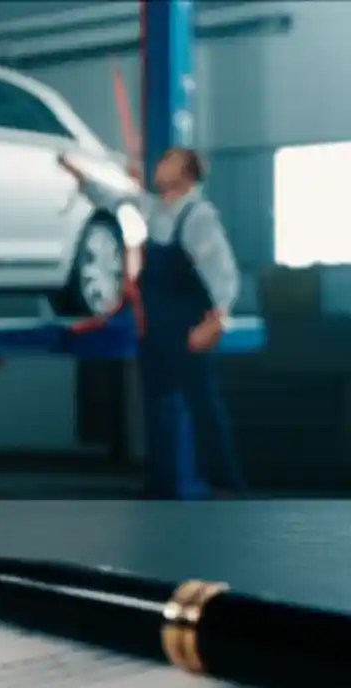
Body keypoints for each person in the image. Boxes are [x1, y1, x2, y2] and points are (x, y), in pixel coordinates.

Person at [59, 147, 244, 499]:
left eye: (168, 161)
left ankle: (226, 487)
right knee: (157, 409)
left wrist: (216, 320)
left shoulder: (198, 215)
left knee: (203, 407)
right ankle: (159, 489)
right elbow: (109, 196)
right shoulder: (152, 208)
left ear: (187, 173)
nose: (160, 166)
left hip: (189, 329)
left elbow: (224, 274)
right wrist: (76, 171)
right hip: (156, 330)